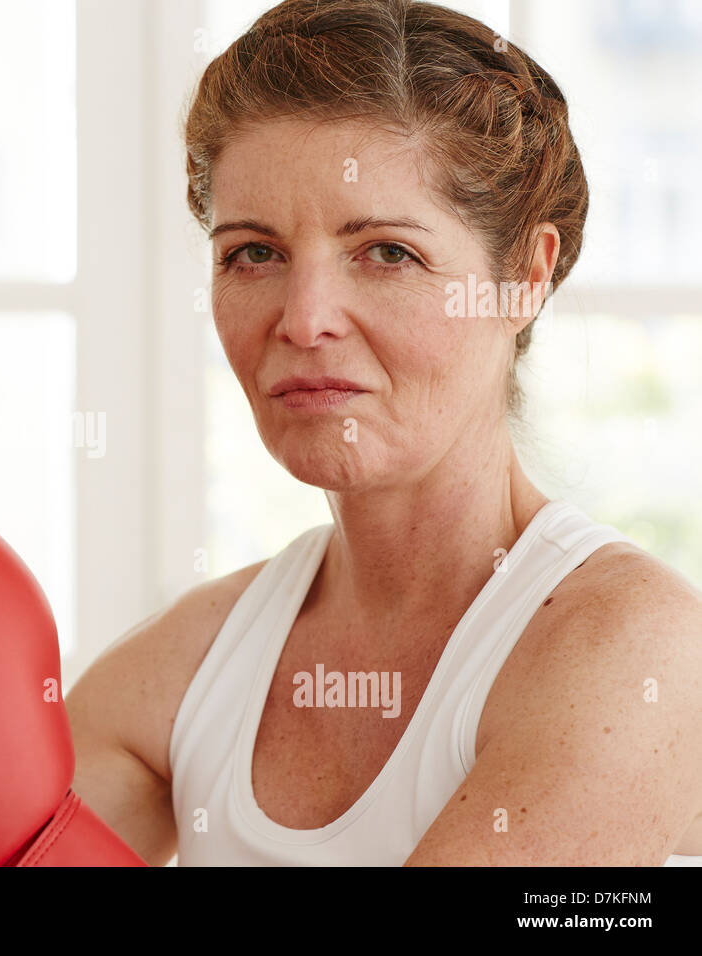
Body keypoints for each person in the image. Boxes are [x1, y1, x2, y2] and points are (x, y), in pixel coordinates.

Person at [67, 0, 702, 866]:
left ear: (525, 278)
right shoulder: (191, 668)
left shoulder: (639, 647)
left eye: (387, 252)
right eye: (254, 252)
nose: (304, 319)